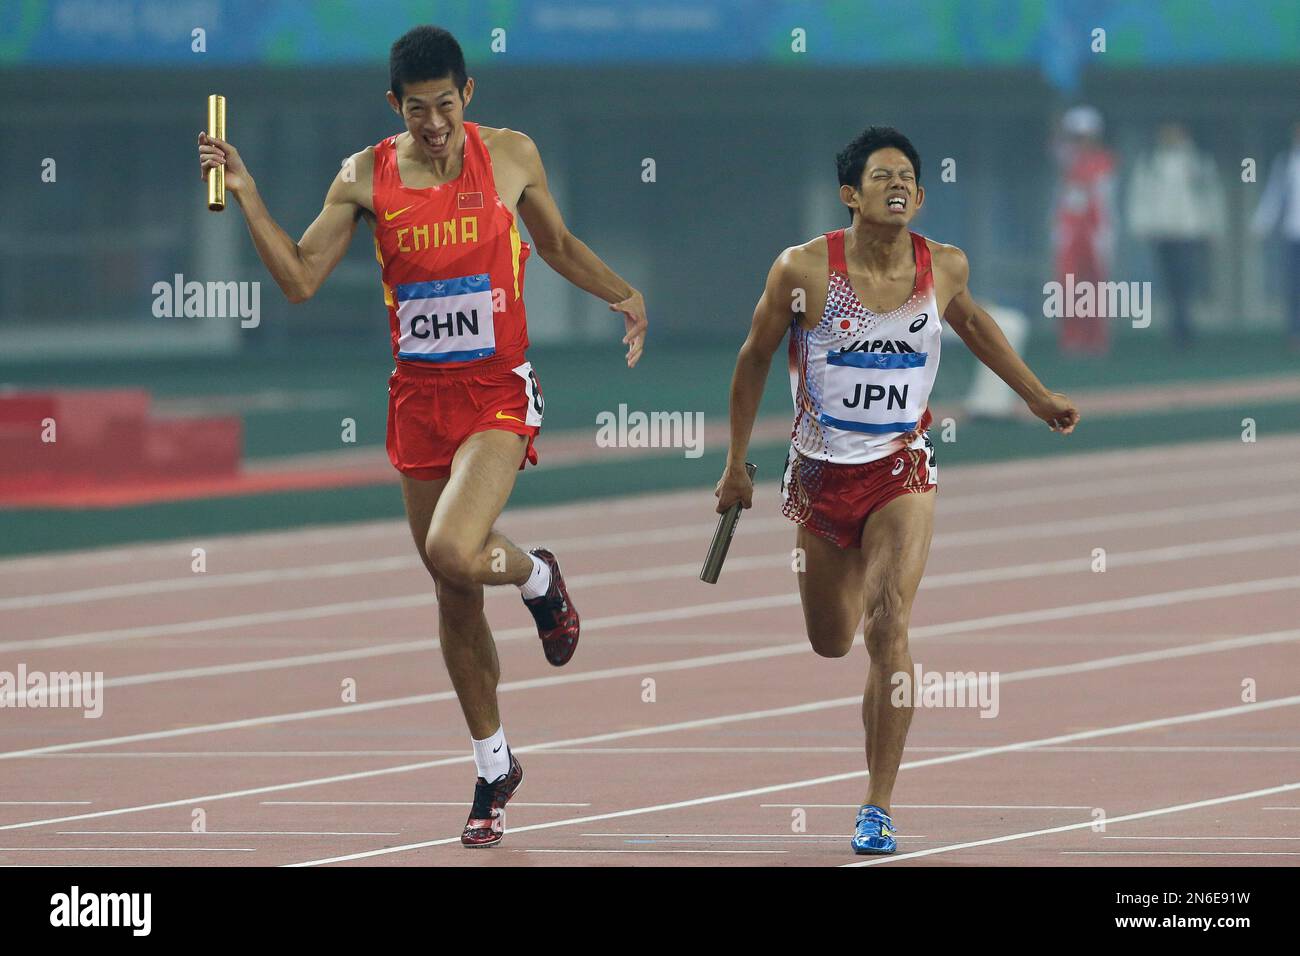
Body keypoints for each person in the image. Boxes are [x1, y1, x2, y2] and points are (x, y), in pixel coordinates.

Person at [197, 25, 647, 848]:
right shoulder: (363, 176)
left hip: (497, 395)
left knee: (450, 547)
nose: (433, 124)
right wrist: (248, 192)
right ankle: (492, 766)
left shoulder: (509, 155)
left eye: (445, 106)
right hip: (418, 403)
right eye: (417, 110)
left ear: (467, 95)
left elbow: (553, 245)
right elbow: (299, 279)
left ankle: (539, 575)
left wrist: (622, 293)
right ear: (393, 107)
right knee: (452, 590)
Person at [714, 126, 1078, 855]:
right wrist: (734, 464)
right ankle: (848, 610)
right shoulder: (804, 270)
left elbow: (974, 326)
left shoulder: (941, 265)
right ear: (850, 193)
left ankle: (877, 805)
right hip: (819, 472)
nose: (899, 185)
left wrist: (1036, 397)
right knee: (830, 640)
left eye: (908, 175)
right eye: (882, 176)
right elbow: (754, 358)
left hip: (901, 466)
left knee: (888, 626)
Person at [1126, 121, 1224, 349]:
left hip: (1188, 231)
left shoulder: (1198, 162)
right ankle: (1176, 329)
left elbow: (1212, 195)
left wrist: (1213, 227)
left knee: (1185, 282)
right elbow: (1140, 197)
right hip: (1162, 232)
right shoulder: (1151, 162)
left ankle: (1184, 328)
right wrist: (1141, 226)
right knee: (1169, 283)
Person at [1052, 105, 1117, 356]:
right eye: (1076, 137)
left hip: (1096, 230)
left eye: (1085, 137)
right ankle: (1072, 338)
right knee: (1068, 285)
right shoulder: (1066, 160)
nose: (1081, 143)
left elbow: (1104, 200)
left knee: (1096, 286)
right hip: (1069, 229)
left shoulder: (1104, 162)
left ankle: (1097, 339)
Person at [1251, 121, 1300, 352]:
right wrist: (1261, 224)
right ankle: (1295, 334)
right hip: (1293, 234)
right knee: (1293, 287)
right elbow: (1274, 196)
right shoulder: (1285, 163)